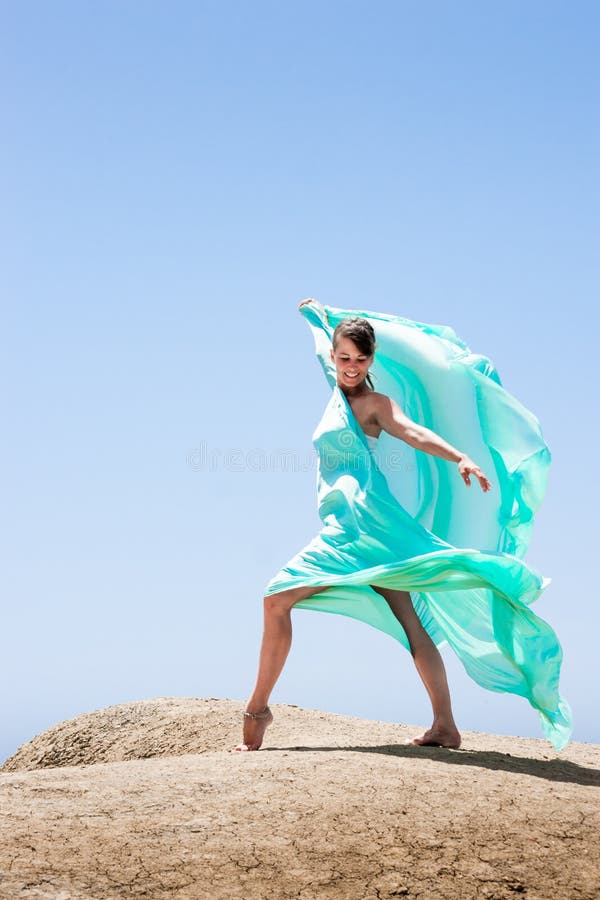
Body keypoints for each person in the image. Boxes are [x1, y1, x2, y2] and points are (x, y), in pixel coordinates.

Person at [235, 298, 571, 753]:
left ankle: (258, 709)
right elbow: (321, 342)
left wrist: (459, 457)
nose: (351, 367)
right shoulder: (335, 390)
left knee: (277, 598)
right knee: (408, 623)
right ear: (333, 357)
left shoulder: (374, 404)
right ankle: (445, 725)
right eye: (343, 358)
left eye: (360, 359)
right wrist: (319, 314)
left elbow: (412, 431)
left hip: (365, 526)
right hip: (354, 525)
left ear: (372, 360)